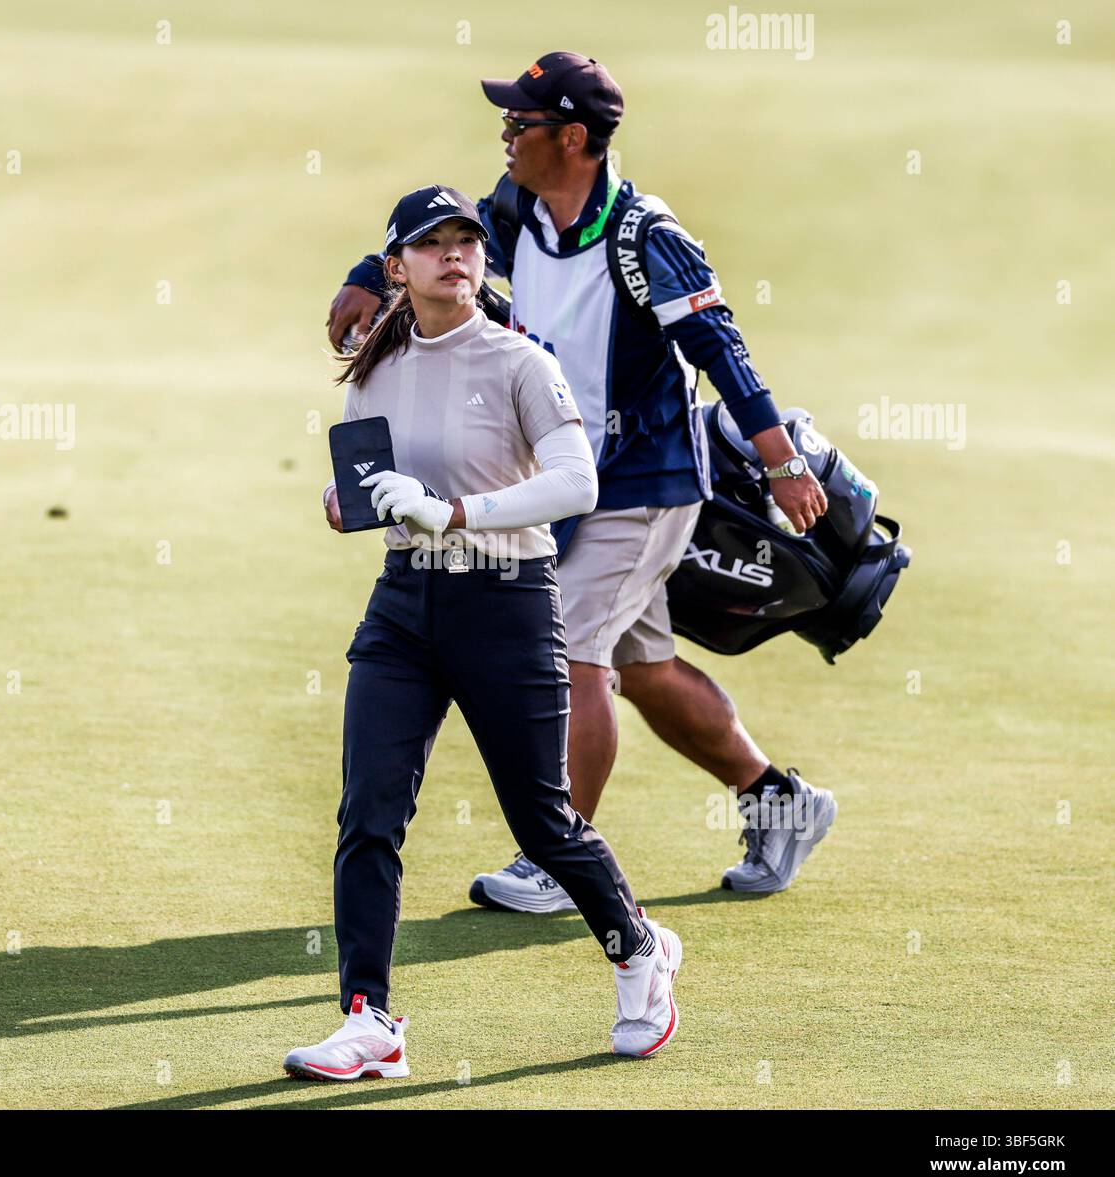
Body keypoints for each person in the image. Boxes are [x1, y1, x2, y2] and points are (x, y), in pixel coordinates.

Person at [326, 52, 838, 904]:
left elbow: (724, 351)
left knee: (573, 653)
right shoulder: (519, 210)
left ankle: (559, 857)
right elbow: (438, 239)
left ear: (571, 138)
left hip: (643, 484)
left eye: (519, 124)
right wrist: (359, 274)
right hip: (568, 474)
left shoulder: (647, 237)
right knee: (644, 668)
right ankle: (780, 801)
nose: (505, 135)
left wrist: (780, 459)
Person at [284, 185, 682, 1082]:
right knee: (368, 812)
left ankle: (638, 951)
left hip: (507, 602)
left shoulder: (519, 362)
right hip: (402, 609)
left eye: (467, 239)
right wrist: (353, 504)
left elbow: (577, 482)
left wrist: (454, 510)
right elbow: (385, 487)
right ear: (398, 268)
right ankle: (368, 1019)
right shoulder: (377, 366)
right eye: (432, 244)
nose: (455, 253)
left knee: (543, 820)